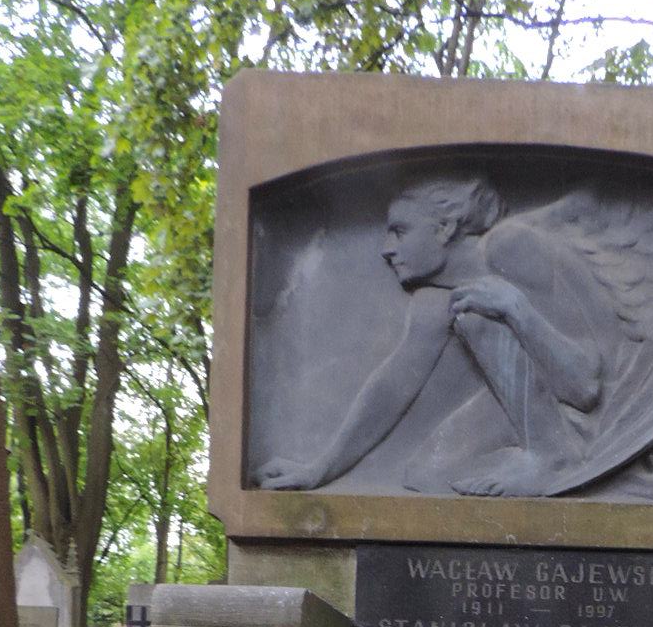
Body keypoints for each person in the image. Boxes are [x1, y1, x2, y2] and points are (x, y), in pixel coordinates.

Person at [257, 176, 605, 496]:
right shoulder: (433, 299)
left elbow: (585, 384)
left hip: (591, 411)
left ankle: (552, 458)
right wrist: (321, 469)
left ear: (444, 227)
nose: (386, 249)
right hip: (538, 404)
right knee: (428, 476)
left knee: (475, 316)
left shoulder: (511, 246)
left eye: (400, 231)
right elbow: (392, 387)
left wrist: (515, 306)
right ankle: (530, 460)